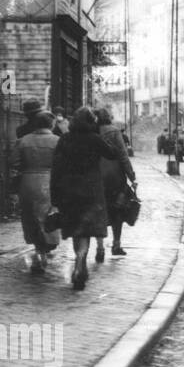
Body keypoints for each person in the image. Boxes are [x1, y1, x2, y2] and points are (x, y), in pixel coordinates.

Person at [50, 106, 118, 290]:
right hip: (91, 190)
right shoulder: (94, 139)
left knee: (75, 229)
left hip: (69, 191)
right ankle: (81, 261)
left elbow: (55, 169)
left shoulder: (64, 139)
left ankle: (79, 262)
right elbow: (112, 153)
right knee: (86, 230)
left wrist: (54, 197)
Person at [12, 110, 60, 274]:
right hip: (50, 182)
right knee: (49, 218)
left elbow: (14, 163)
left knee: (31, 218)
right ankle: (44, 251)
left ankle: (39, 251)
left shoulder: (23, 141)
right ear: (51, 124)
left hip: (28, 182)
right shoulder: (57, 141)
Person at [94, 106, 137, 261]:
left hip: (96, 176)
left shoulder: (92, 131)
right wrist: (132, 177)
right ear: (109, 117)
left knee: (98, 209)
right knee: (117, 210)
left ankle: (100, 247)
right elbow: (123, 155)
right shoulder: (114, 131)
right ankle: (116, 244)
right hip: (115, 176)